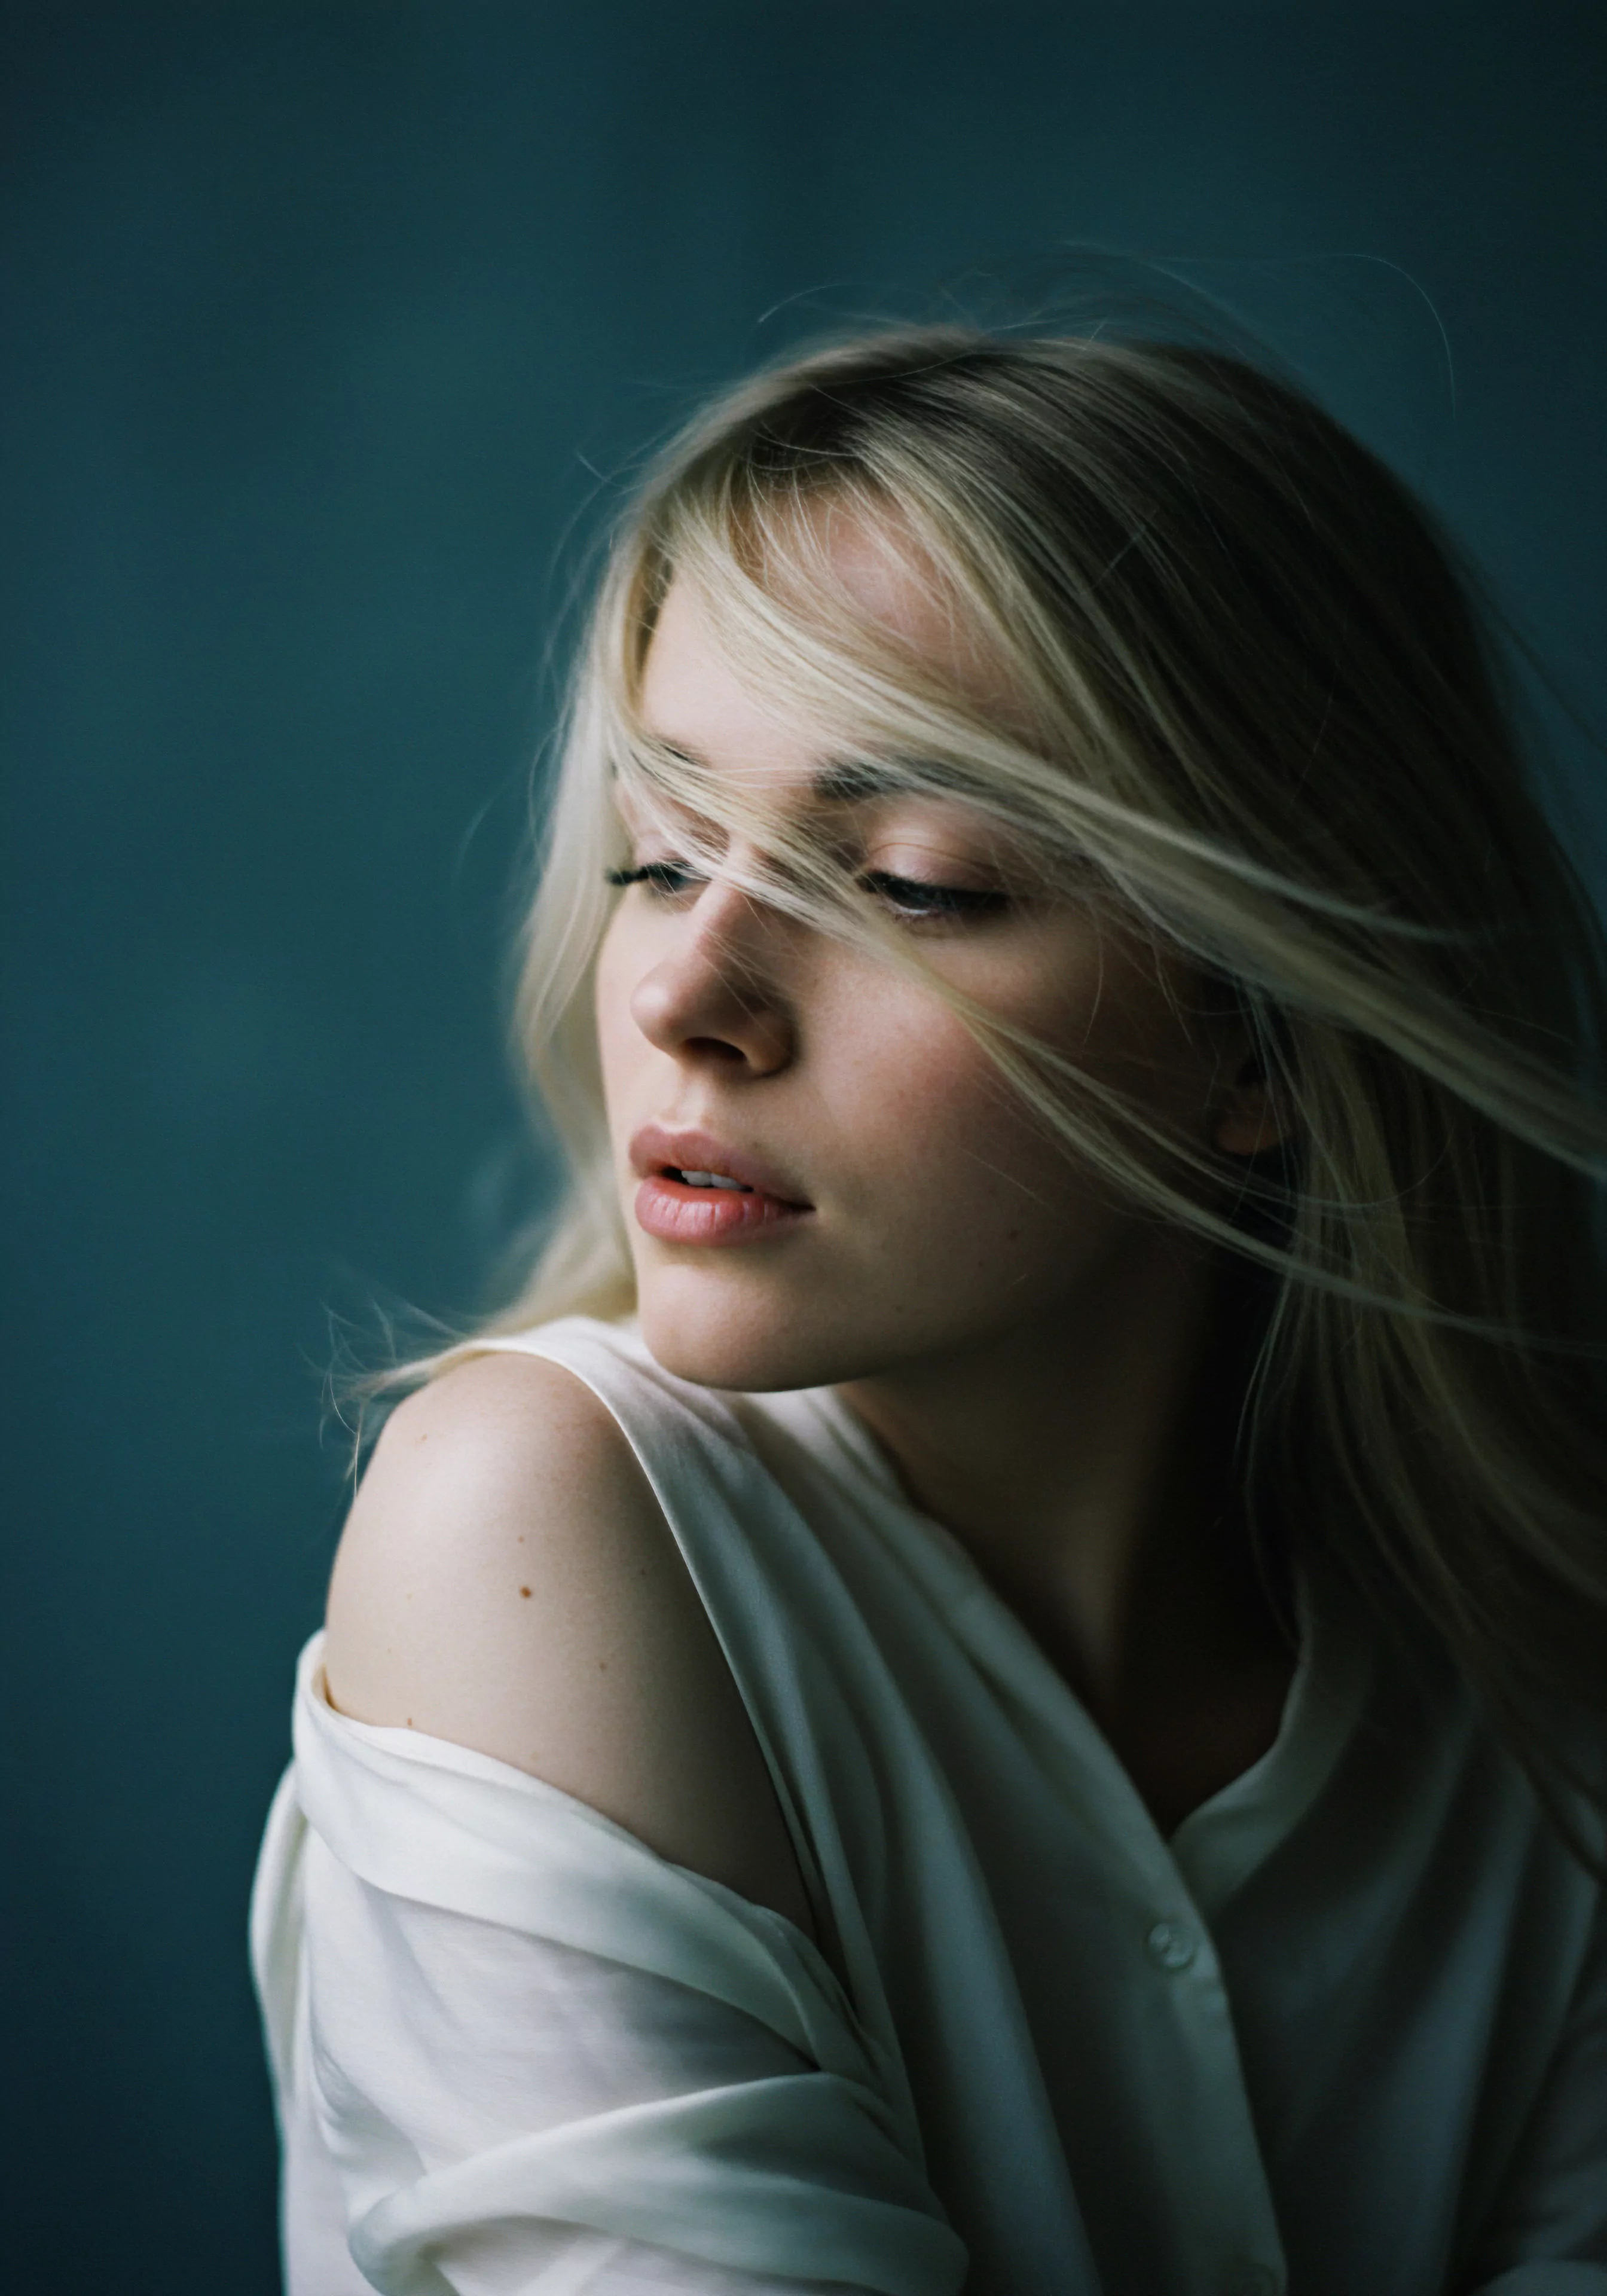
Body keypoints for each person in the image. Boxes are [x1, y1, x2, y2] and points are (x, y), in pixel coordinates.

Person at [250, 328, 1607, 2296]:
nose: (683, 994)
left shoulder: (1535, 1705)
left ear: (1257, 1030)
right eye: (659, 853)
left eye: (907, 881)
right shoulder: (540, 1529)